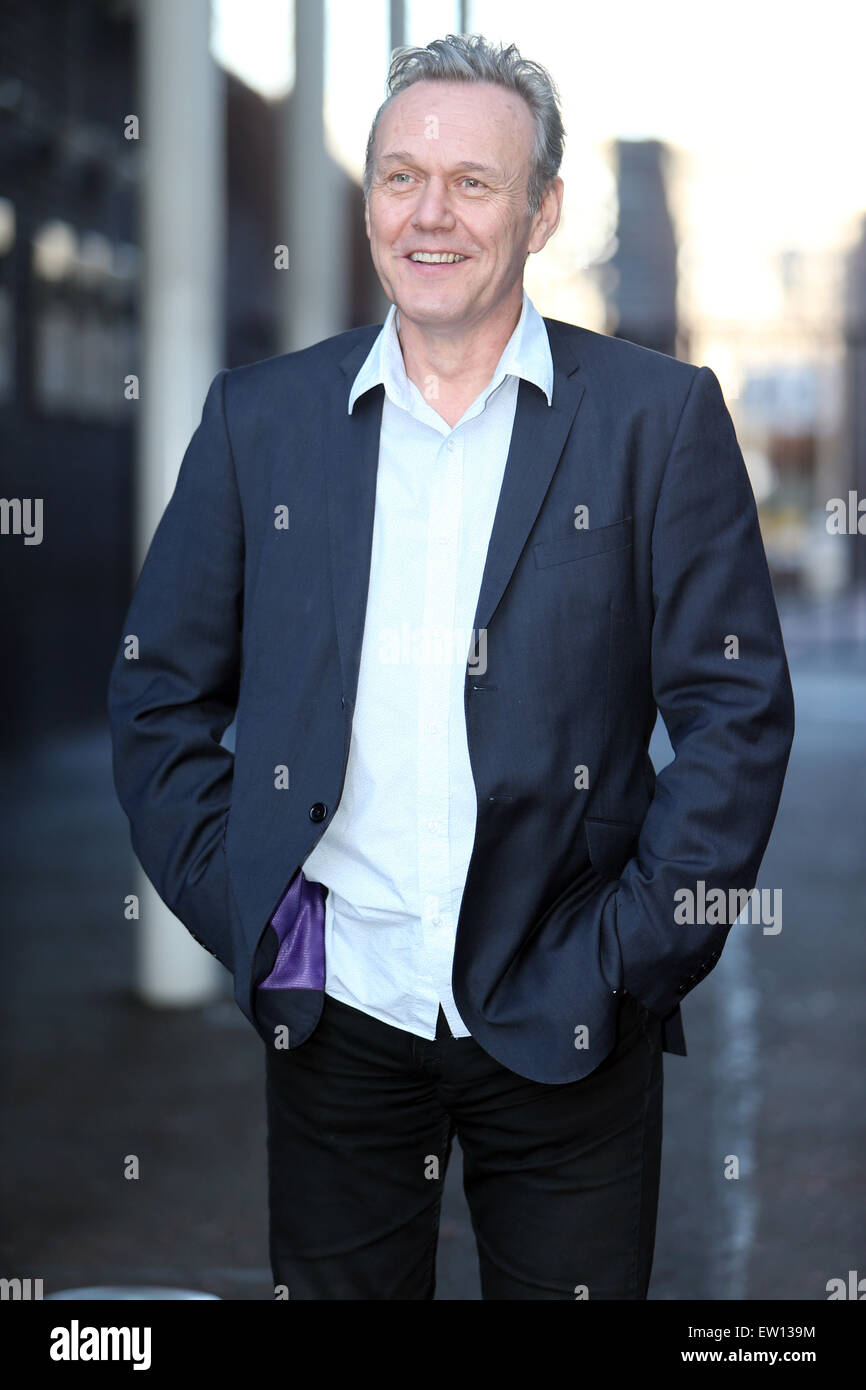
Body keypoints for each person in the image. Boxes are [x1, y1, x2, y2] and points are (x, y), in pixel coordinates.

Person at [107, 33, 795, 1300]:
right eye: (398, 176)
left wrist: (632, 949)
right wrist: (256, 916)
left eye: (472, 182)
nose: (429, 213)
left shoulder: (657, 418)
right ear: (366, 198)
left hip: (569, 1006)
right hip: (337, 1016)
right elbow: (159, 690)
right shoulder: (260, 420)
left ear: (541, 211)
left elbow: (735, 710)